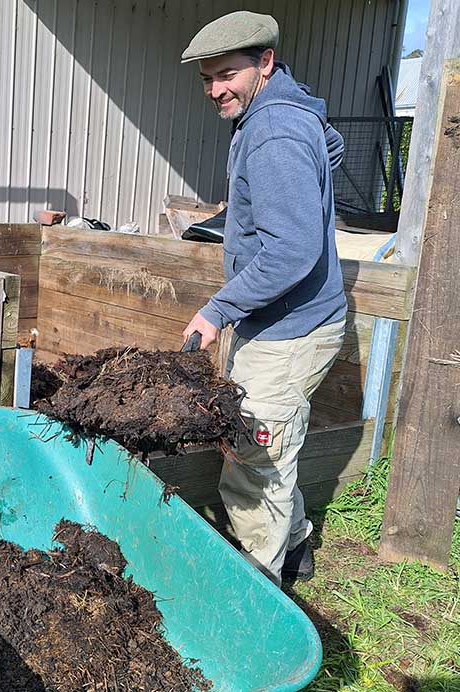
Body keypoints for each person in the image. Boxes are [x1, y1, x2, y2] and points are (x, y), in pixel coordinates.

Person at [179, 11, 348, 586]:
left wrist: (217, 308)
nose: (214, 89)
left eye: (226, 74)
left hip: (290, 330)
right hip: (284, 321)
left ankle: (257, 594)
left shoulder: (274, 130)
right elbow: (333, 146)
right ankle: (295, 542)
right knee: (267, 455)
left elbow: (292, 252)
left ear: (266, 63)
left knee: (253, 462)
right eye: (207, 78)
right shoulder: (286, 112)